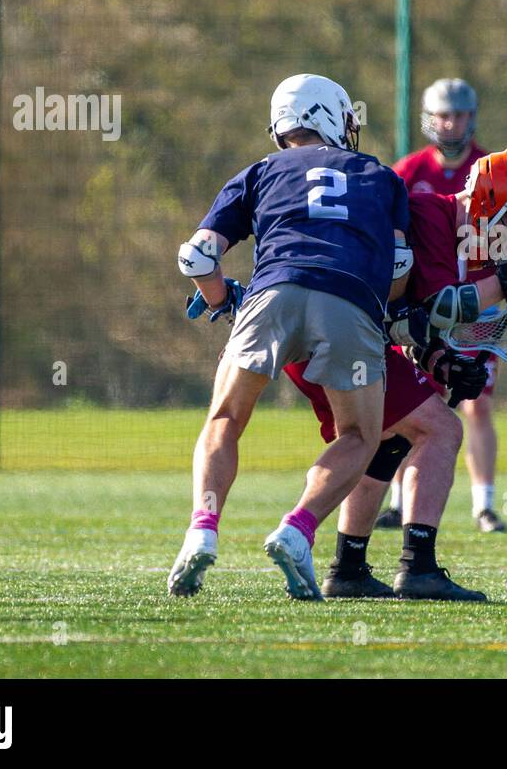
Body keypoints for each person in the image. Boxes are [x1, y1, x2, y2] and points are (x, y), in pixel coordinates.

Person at [167, 73, 411, 600]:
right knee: (360, 436)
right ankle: (297, 529)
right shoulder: (379, 175)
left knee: (226, 419)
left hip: (271, 291)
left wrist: (220, 300)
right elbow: (400, 270)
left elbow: (197, 255)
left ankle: (201, 531)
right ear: (333, 117)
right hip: (348, 301)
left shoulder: (259, 172)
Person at [282, 148, 507, 597]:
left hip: (338, 334)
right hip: (332, 334)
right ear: (489, 204)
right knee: (441, 431)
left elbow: (411, 322)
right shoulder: (432, 215)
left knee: (390, 441)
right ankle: (417, 566)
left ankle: (347, 569)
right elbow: (442, 306)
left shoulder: (452, 233)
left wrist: (441, 362)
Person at [387, 78, 507, 533]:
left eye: (458, 115)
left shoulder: (490, 169)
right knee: (417, 403)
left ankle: (485, 504)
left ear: (471, 117)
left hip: (481, 307)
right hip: (424, 307)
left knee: (476, 403)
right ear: (428, 118)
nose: (451, 123)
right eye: (443, 114)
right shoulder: (408, 171)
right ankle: (401, 502)